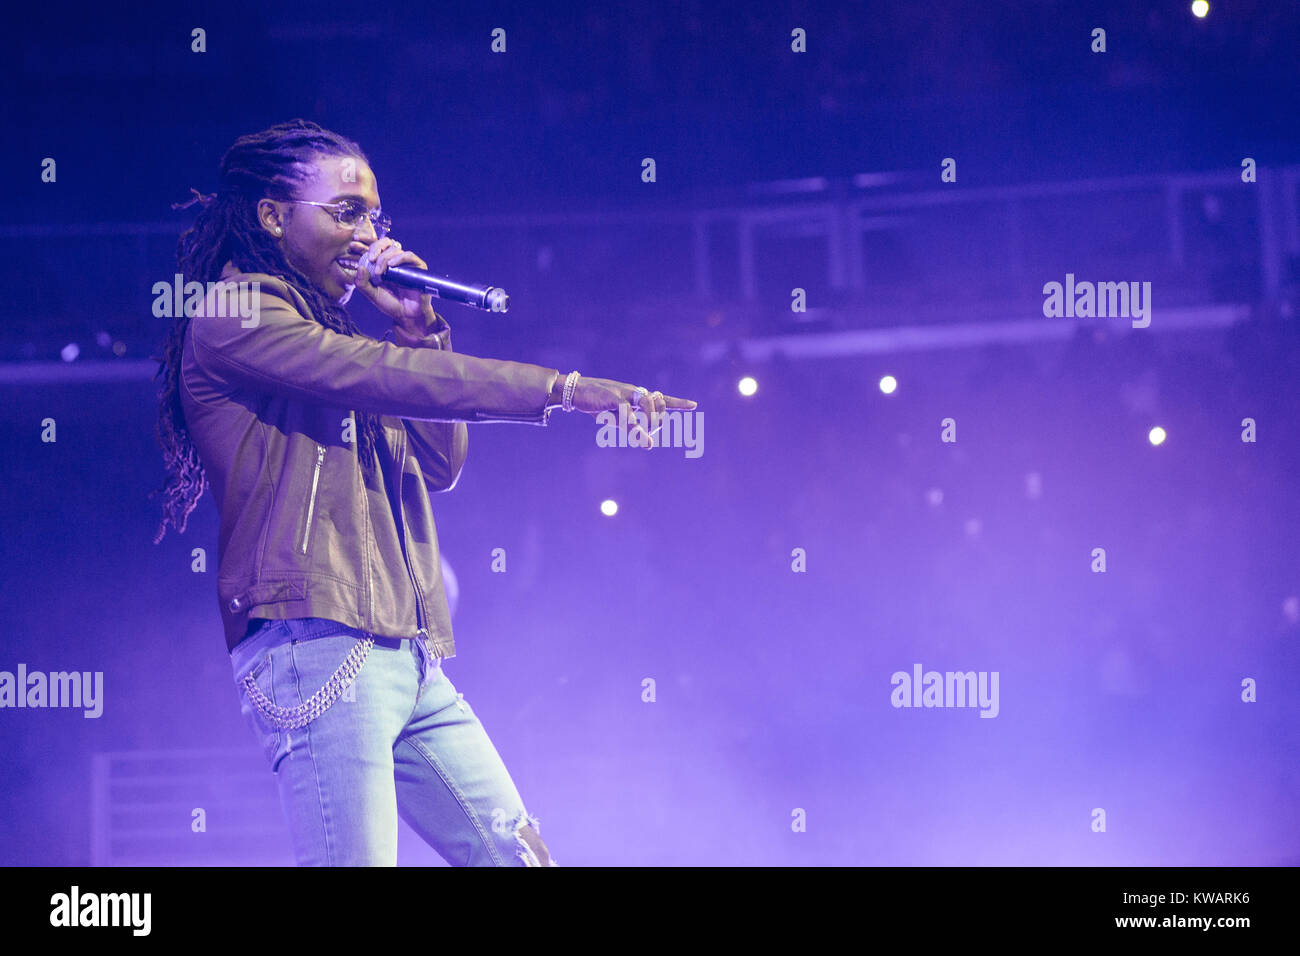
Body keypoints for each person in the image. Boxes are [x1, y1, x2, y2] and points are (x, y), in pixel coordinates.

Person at [149, 119, 696, 866]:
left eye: (375, 215)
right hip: (315, 641)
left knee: (519, 857)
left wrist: (419, 333)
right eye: (346, 212)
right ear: (273, 216)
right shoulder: (236, 316)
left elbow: (439, 462)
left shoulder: (337, 339)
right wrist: (563, 388)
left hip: (405, 653)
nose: (369, 234)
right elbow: (384, 380)